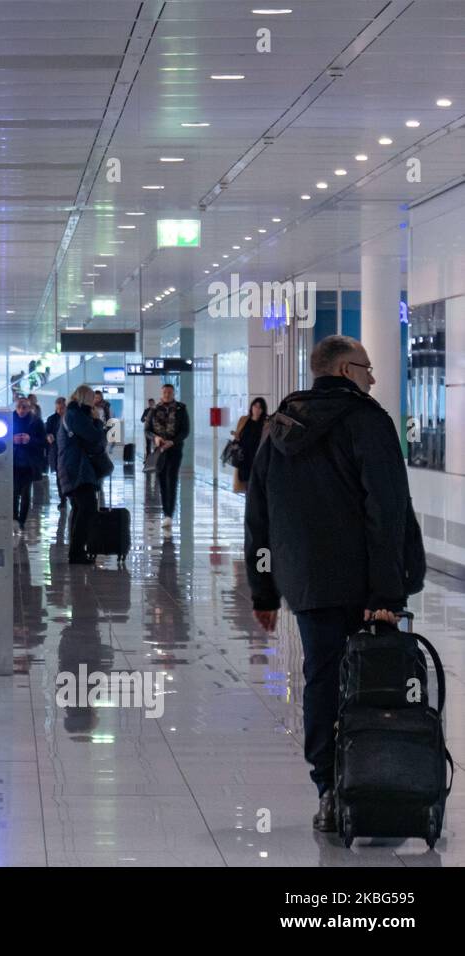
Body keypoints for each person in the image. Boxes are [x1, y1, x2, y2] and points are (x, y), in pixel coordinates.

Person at [245, 335, 425, 832]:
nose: (373, 377)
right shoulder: (368, 421)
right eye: (367, 368)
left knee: (322, 680)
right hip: (368, 587)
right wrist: (388, 593)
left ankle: (329, 788)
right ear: (346, 370)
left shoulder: (278, 428)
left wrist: (264, 591)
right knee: (377, 680)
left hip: (309, 586)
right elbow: (385, 510)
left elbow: (257, 513)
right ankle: (382, 782)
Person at [58, 385, 110, 565]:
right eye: (91, 398)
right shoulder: (76, 415)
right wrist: (97, 422)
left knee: (81, 508)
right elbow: (96, 438)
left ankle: (76, 552)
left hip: (75, 468)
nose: (93, 402)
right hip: (77, 470)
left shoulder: (74, 414)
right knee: (87, 507)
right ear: (85, 399)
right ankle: (76, 553)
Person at [144, 383, 190, 531]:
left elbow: (185, 430)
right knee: (162, 481)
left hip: (174, 449)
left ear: (173, 393)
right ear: (161, 393)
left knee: (172, 479)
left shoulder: (181, 409)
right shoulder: (154, 409)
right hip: (159, 450)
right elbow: (147, 430)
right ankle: (166, 512)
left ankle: (170, 513)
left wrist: (173, 441)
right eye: (165, 392)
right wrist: (155, 438)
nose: (167, 395)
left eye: (170, 392)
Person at [11, 395, 47, 532]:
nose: (21, 410)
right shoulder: (9, 420)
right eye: (19, 407)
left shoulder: (36, 421)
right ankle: (14, 519)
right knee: (13, 493)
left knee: (26, 493)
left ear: (30, 408)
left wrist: (29, 440)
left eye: (24, 407)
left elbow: (43, 442)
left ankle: (21, 521)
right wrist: (12, 440)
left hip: (29, 464)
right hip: (14, 463)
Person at [231, 396, 268, 494]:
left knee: (255, 487)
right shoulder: (244, 420)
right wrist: (236, 438)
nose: (257, 409)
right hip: (243, 458)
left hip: (256, 459)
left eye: (260, 407)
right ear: (251, 407)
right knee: (244, 484)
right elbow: (238, 436)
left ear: (262, 411)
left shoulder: (265, 424)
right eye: (255, 406)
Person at [44, 396, 67, 509]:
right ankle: (62, 498)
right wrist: (48, 436)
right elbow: (47, 432)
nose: (59, 411)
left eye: (62, 408)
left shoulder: (69, 418)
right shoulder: (52, 419)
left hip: (67, 451)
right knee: (59, 476)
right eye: (58, 408)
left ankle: (67, 496)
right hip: (56, 451)